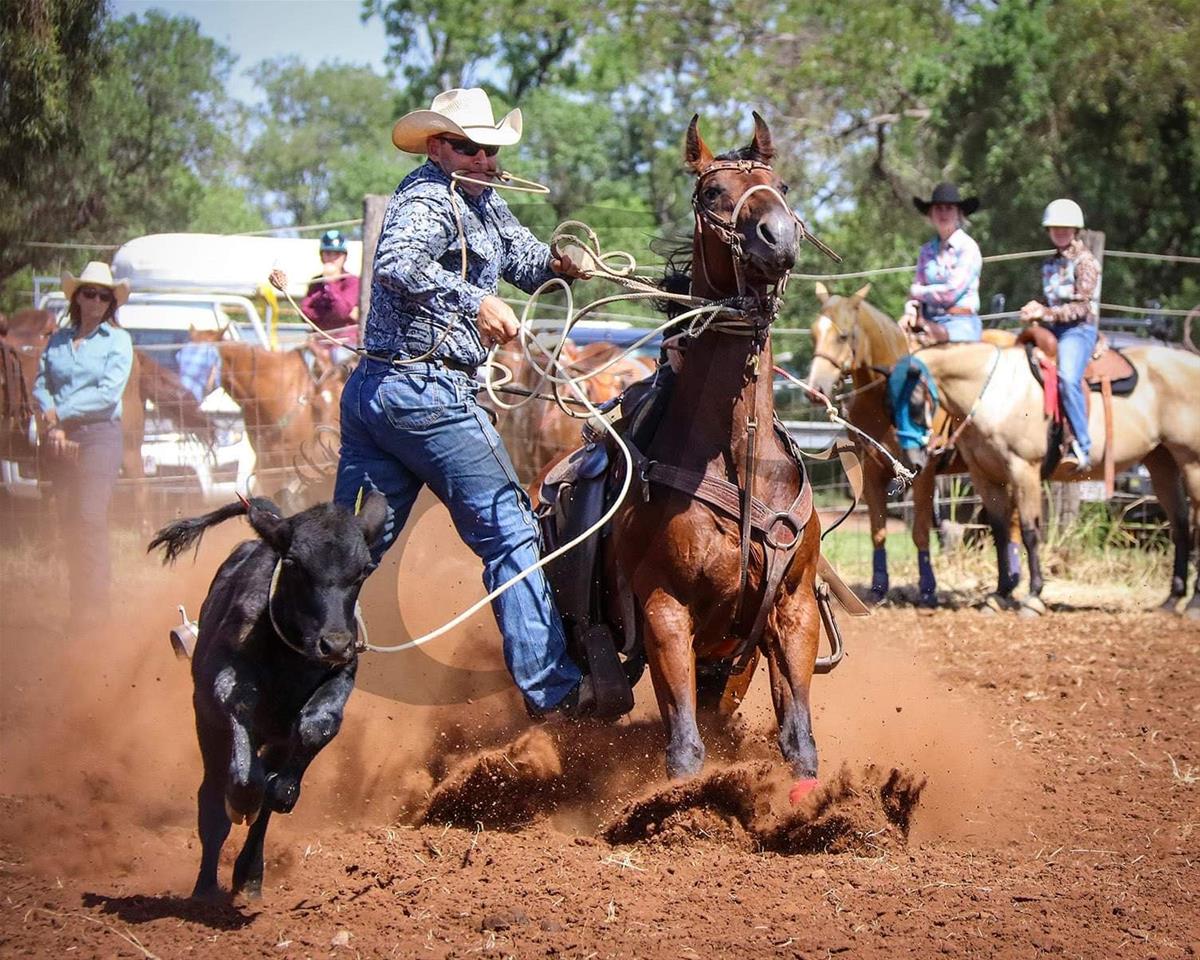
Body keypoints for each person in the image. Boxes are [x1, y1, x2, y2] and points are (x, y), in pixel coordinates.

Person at [333, 87, 594, 718]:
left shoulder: (485, 203)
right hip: (429, 397)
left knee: (346, 550)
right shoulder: (427, 198)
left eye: (491, 148)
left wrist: (563, 262)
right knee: (510, 535)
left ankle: (257, 640)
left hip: (380, 395)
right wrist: (473, 300)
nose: (484, 158)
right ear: (437, 146)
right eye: (470, 148)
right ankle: (555, 698)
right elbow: (395, 263)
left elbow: (526, 263)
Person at [32, 261, 134, 623]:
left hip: (99, 436)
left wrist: (60, 414)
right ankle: (79, 609)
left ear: (111, 303)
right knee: (70, 521)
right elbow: (41, 383)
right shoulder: (58, 341)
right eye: (89, 293)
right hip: (61, 438)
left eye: (103, 296)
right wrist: (52, 420)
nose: (95, 301)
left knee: (90, 517)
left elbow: (107, 395)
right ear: (77, 297)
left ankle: (96, 611)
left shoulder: (118, 341)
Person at [1019, 198, 1100, 471]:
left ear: (1076, 229)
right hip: (1052, 328)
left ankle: (1082, 445)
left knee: (1067, 378)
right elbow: (1049, 299)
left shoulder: (1086, 262)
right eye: (1055, 228)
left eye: (1066, 227)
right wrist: (1035, 306)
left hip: (1078, 330)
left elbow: (1081, 306)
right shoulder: (1049, 264)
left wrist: (1045, 313)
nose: (1060, 232)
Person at [901, 182, 983, 343]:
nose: (943, 213)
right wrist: (910, 312)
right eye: (938, 208)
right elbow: (917, 287)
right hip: (927, 321)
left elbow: (951, 292)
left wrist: (916, 291)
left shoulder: (968, 248)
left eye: (949, 208)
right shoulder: (926, 251)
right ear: (931, 214)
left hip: (961, 323)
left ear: (959, 214)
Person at [301, 228, 361, 338]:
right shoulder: (316, 282)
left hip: (345, 343)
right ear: (321, 256)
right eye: (328, 253)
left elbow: (341, 312)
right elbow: (304, 312)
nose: (332, 258)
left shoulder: (352, 281)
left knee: (338, 354)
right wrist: (328, 315)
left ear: (344, 257)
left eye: (337, 254)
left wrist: (330, 284)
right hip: (320, 342)